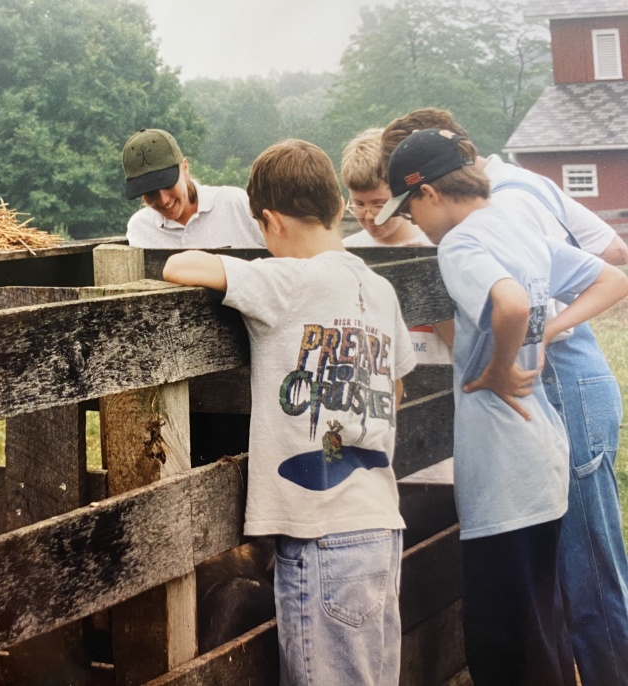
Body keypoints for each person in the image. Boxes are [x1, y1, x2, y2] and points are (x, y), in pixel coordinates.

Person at [379, 108, 628, 686]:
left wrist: (495, 369)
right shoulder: (517, 228)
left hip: (502, 472)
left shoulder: (460, 244)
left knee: (505, 643)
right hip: (542, 454)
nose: (413, 224)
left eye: (409, 208)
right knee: (545, 621)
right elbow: (613, 278)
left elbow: (511, 303)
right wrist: (555, 330)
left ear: (431, 192)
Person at [163, 138, 416, 686]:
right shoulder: (379, 288)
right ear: (340, 207)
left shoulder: (285, 281)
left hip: (318, 533)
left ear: (271, 222)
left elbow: (181, 266)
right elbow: (396, 388)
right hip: (380, 525)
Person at [341, 128, 452, 369]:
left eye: (379, 204)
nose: (369, 215)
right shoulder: (346, 251)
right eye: (358, 204)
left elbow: (463, 342)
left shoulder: (437, 245)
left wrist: (426, 279)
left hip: (434, 380)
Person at [122, 128, 265, 248]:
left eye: (167, 184)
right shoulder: (141, 228)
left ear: (185, 167)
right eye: (150, 192)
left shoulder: (236, 205)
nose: (163, 200)